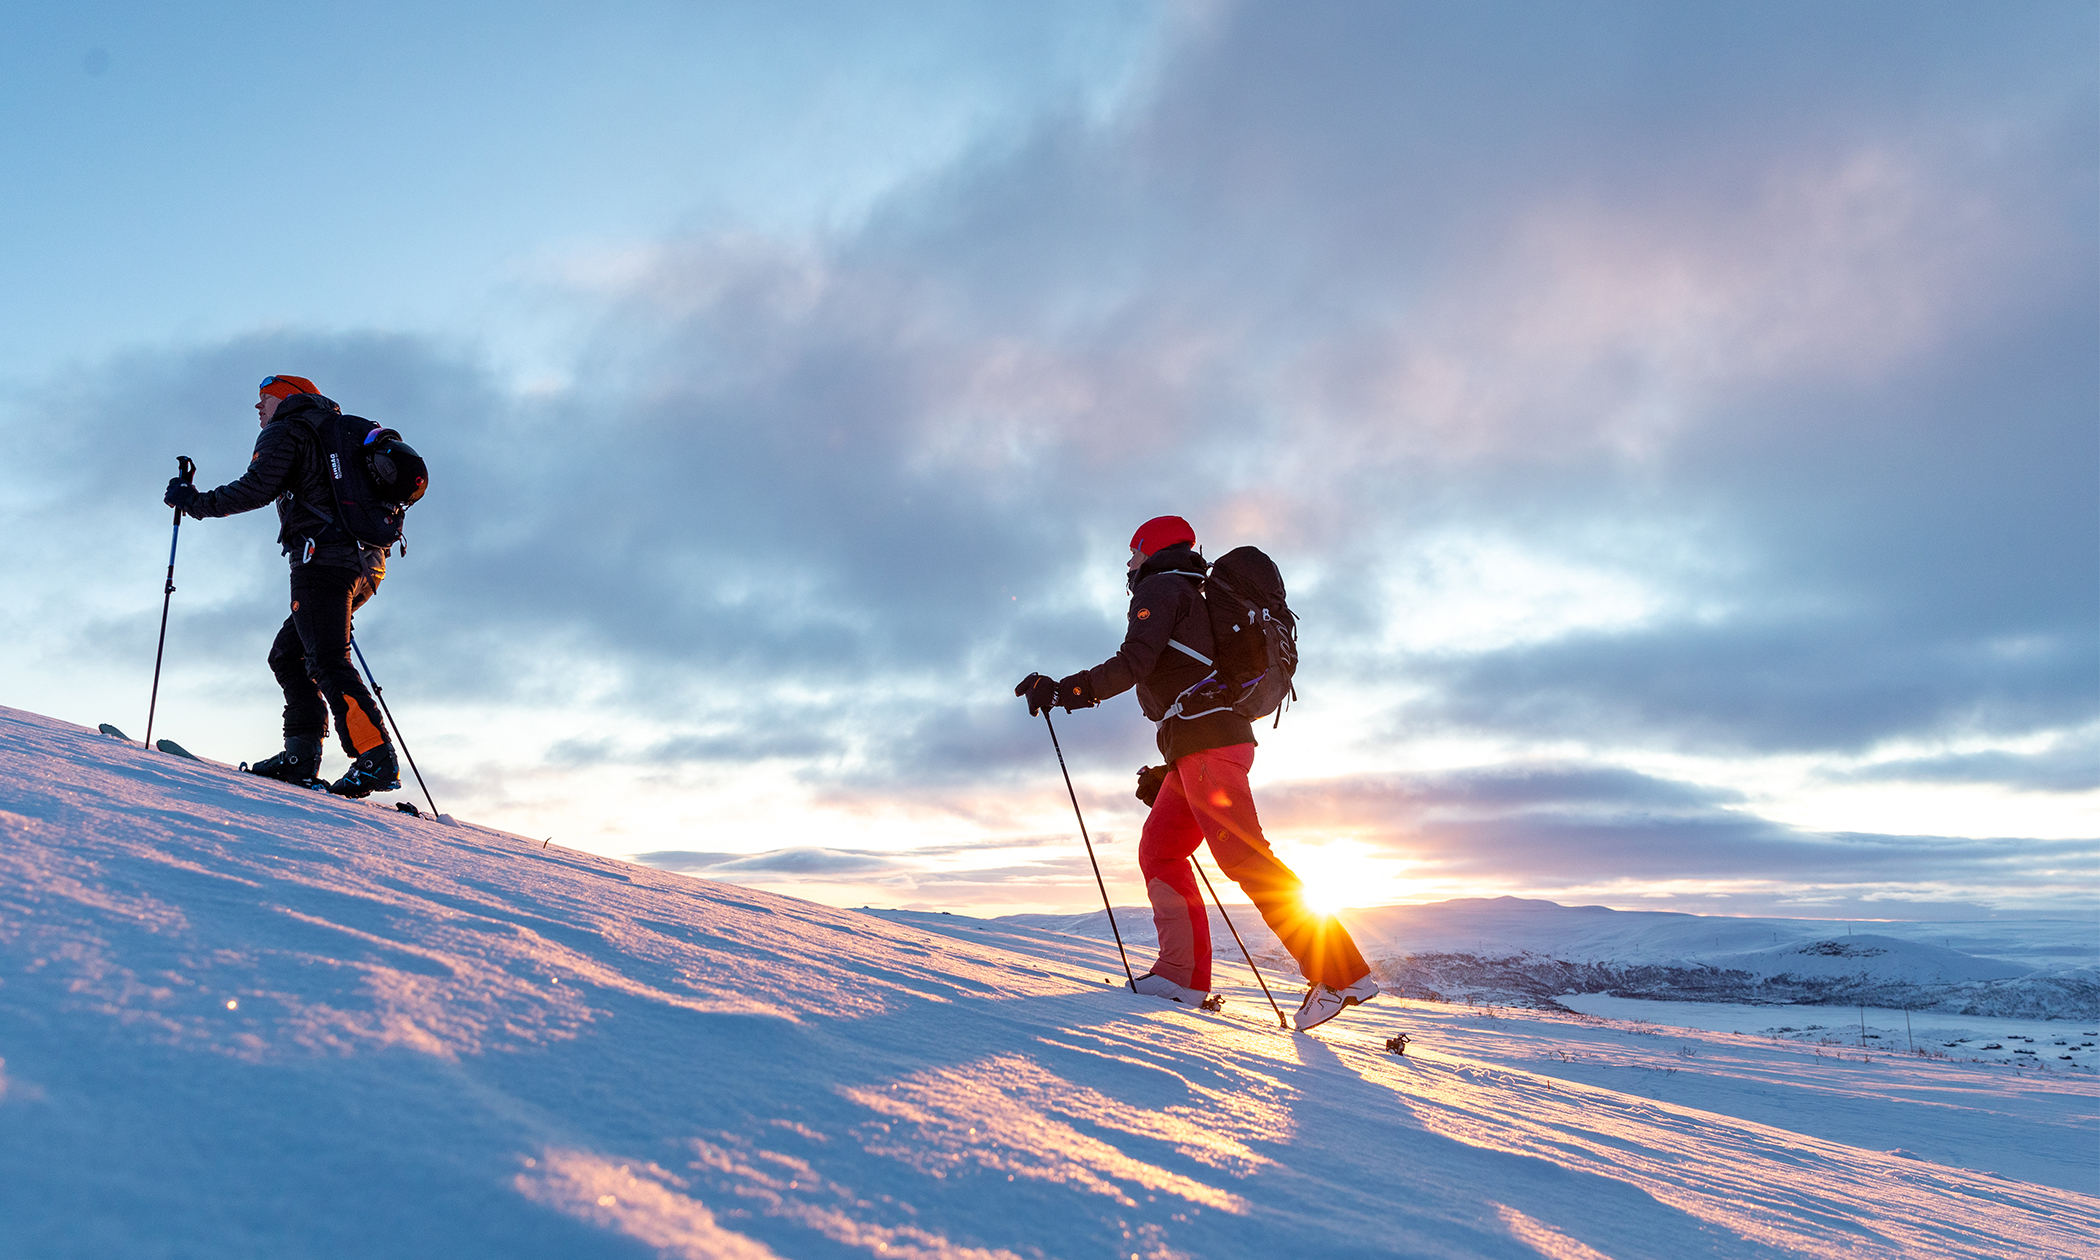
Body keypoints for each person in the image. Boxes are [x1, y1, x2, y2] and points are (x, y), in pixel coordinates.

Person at [1016, 515, 1377, 1031]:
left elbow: (1134, 662)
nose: (1128, 563)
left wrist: (1064, 691)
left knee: (1244, 857)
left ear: (1152, 549)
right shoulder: (1190, 593)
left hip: (1208, 744)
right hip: (1202, 744)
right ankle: (1180, 977)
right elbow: (1190, 683)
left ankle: (1341, 973)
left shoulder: (1163, 589)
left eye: (1133, 551)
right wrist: (1173, 772)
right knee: (1160, 848)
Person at [162, 375, 400, 798]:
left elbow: (256, 488)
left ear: (287, 398)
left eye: (264, 399)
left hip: (321, 558)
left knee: (326, 659)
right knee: (289, 655)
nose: (258, 409)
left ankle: (375, 759)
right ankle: (300, 757)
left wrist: (192, 502)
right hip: (368, 564)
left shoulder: (289, 427)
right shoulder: (344, 433)